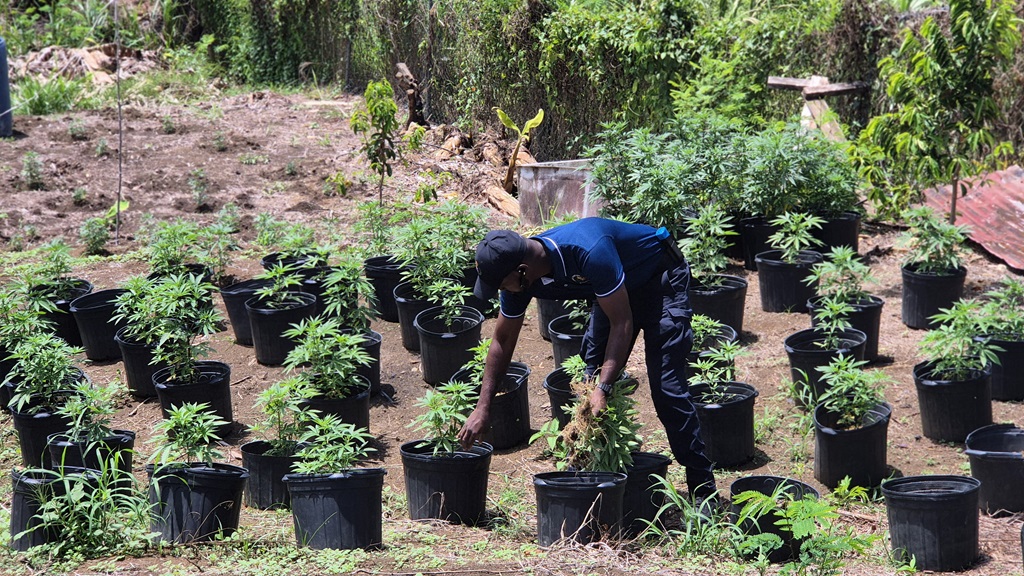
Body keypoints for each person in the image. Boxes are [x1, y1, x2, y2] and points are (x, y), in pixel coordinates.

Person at [457, 217, 718, 504]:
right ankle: (588, 475)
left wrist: (604, 389)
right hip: (613, 290)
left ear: (522, 271)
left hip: (660, 279)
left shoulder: (587, 250)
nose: (502, 291)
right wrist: (483, 407)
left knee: (667, 389)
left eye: (501, 285)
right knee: (588, 382)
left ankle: (703, 491)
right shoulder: (522, 277)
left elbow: (622, 323)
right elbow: (503, 340)